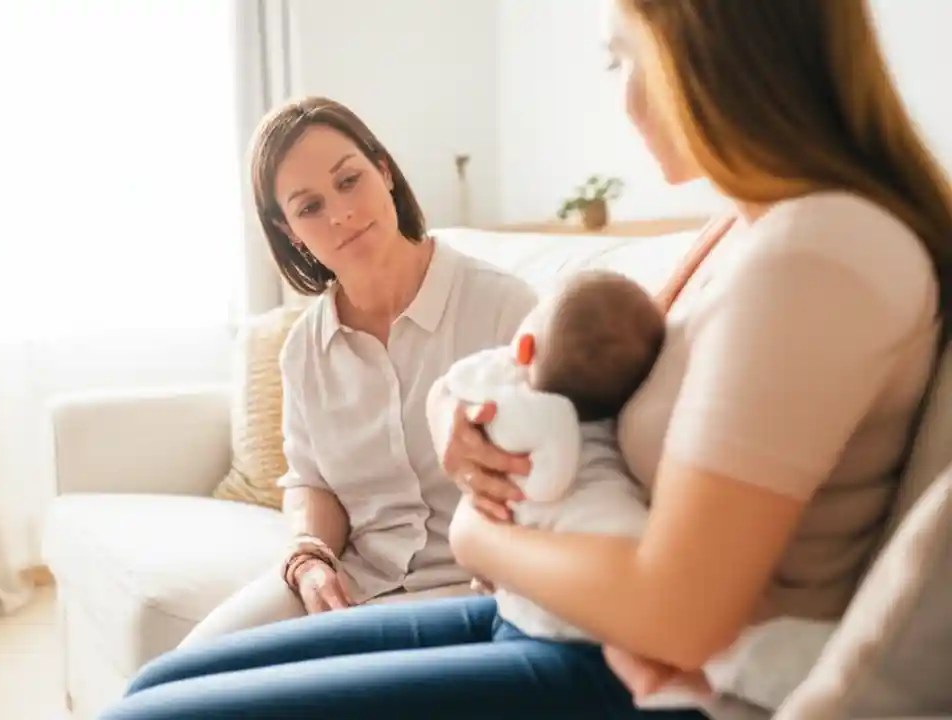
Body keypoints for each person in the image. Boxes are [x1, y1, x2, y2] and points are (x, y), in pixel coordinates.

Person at [102, 1, 952, 717]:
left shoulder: (820, 249)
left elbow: (681, 611)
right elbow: (543, 364)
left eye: (628, 58)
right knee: (155, 686)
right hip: (550, 618)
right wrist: (453, 409)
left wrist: (477, 535)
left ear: (718, 48)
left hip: (621, 664)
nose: (625, 99)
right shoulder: (738, 231)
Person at [178, 95, 538, 646]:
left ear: (384, 172)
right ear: (289, 230)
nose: (340, 214)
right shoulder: (304, 350)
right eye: (309, 207)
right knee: (183, 668)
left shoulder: (505, 308)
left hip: (477, 591)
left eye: (349, 181)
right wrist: (309, 557)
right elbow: (310, 481)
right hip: (352, 586)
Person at [445, 271, 838, 714]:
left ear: (525, 347)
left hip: (588, 617)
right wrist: (450, 427)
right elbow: (453, 397)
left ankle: (666, 672)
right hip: (528, 598)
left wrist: (473, 537)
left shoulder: (787, 273)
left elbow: (668, 603)